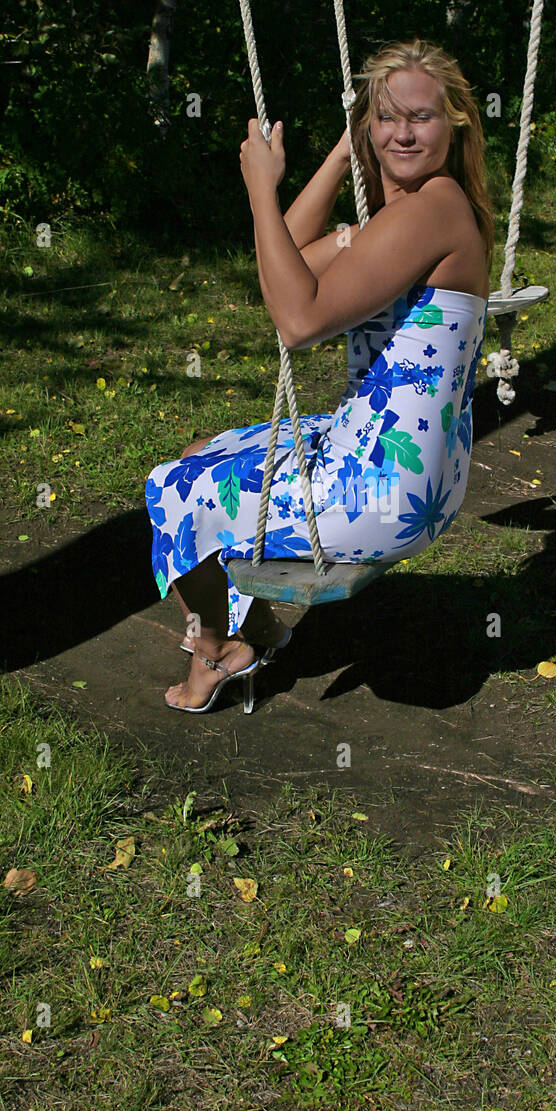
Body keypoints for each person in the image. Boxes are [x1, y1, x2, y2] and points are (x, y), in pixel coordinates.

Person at [145, 38, 493, 713]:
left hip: (381, 486)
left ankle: (220, 651)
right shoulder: (406, 217)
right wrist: (342, 152)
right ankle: (262, 625)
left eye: (419, 117)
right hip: (399, 461)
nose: (401, 132)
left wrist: (259, 190)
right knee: (200, 456)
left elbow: (296, 322)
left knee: (175, 487)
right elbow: (293, 256)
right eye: (385, 117)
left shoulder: (429, 211)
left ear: (454, 123)